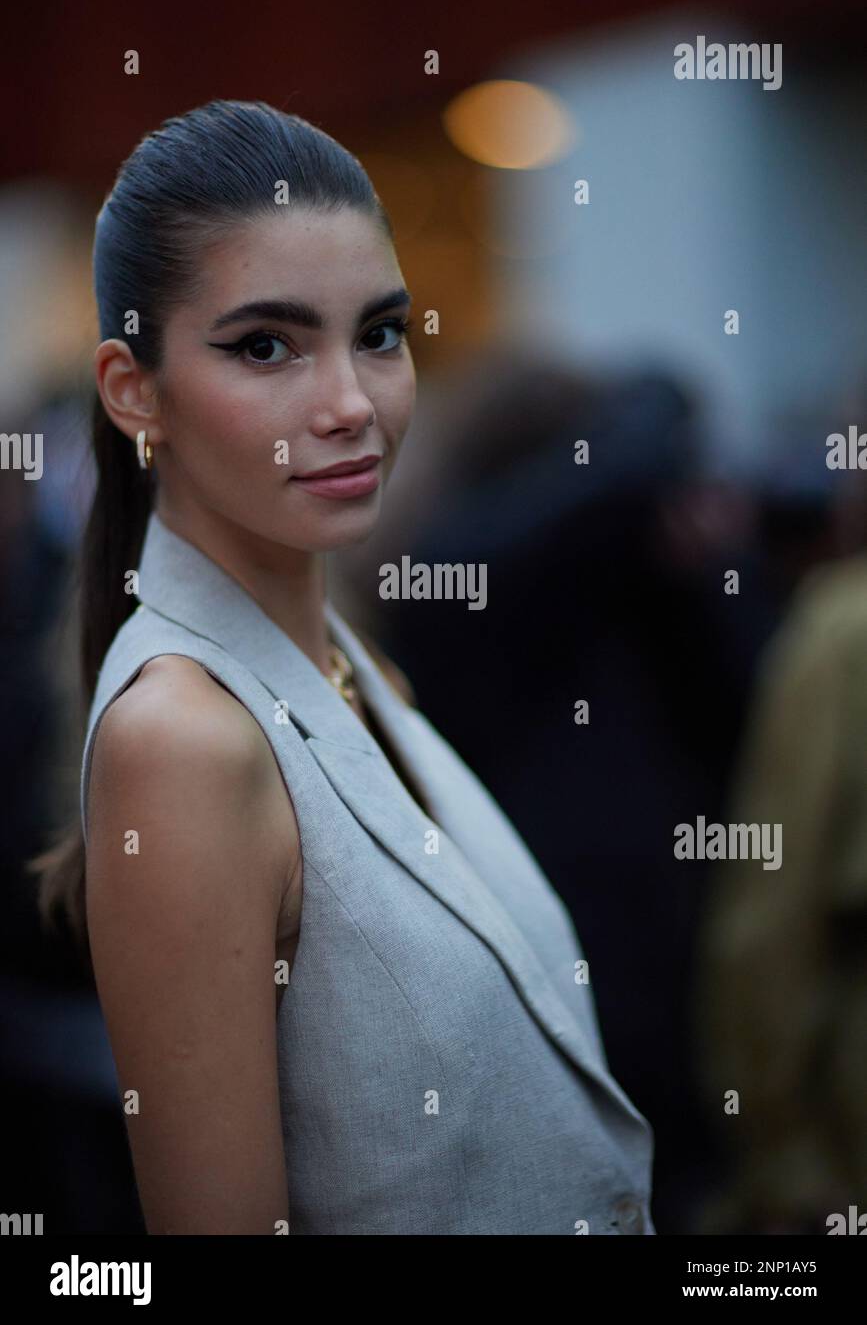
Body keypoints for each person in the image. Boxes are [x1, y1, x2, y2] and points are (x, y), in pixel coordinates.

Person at [30, 99, 655, 1235]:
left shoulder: (347, 663)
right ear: (134, 391)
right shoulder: (183, 737)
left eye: (378, 333)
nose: (351, 405)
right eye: (265, 345)